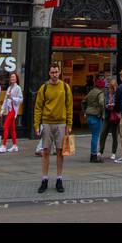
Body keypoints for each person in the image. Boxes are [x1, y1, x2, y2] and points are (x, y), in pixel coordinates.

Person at [33, 64, 73, 193]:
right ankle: (44, 179)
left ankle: (59, 179)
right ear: (49, 73)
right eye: (52, 72)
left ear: (60, 72)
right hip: (47, 123)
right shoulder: (44, 88)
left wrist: (69, 124)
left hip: (61, 123)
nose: (54, 74)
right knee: (45, 152)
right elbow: (38, 107)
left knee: (61, 152)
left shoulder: (65, 88)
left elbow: (69, 106)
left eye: (56, 72)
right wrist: (37, 124)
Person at [0, 71, 23, 153]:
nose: (12, 78)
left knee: (5, 126)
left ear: (16, 79)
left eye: (14, 77)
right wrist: (1, 111)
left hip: (13, 111)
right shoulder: (9, 88)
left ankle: (4, 145)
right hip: (9, 110)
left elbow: (21, 99)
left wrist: (12, 98)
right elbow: (5, 100)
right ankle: (15, 145)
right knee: (12, 129)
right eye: (11, 77)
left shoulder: (18, 88)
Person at [83, 74, 107, 164]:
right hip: (96, 116)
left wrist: (85, 111)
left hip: (89, 115)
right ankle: (93, 156)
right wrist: (102, 113)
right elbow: (101, 103)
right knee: (96, 136)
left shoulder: (91, 91)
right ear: (102, 87)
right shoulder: (100, 93)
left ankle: (93, 155)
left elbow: (83, 101)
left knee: (94, 135)